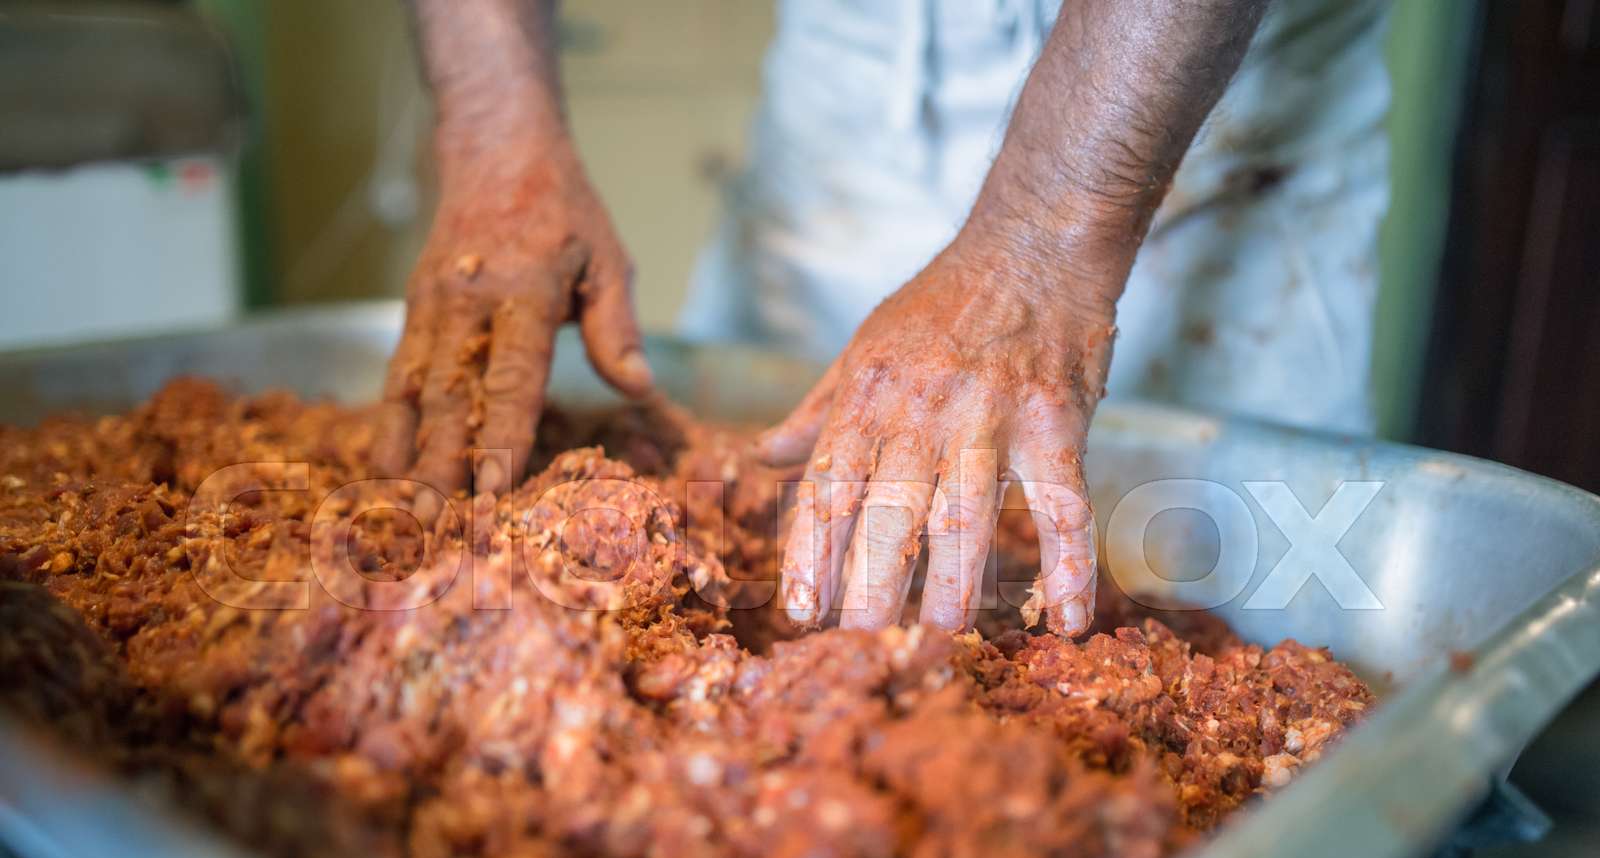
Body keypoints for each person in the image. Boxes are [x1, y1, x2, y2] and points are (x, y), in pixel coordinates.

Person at [375, 0, 1390, 636]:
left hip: (1197, 115)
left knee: (1204, 583)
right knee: (740, 497)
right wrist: (495, 128)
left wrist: (1039, 240)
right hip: (844, 93)